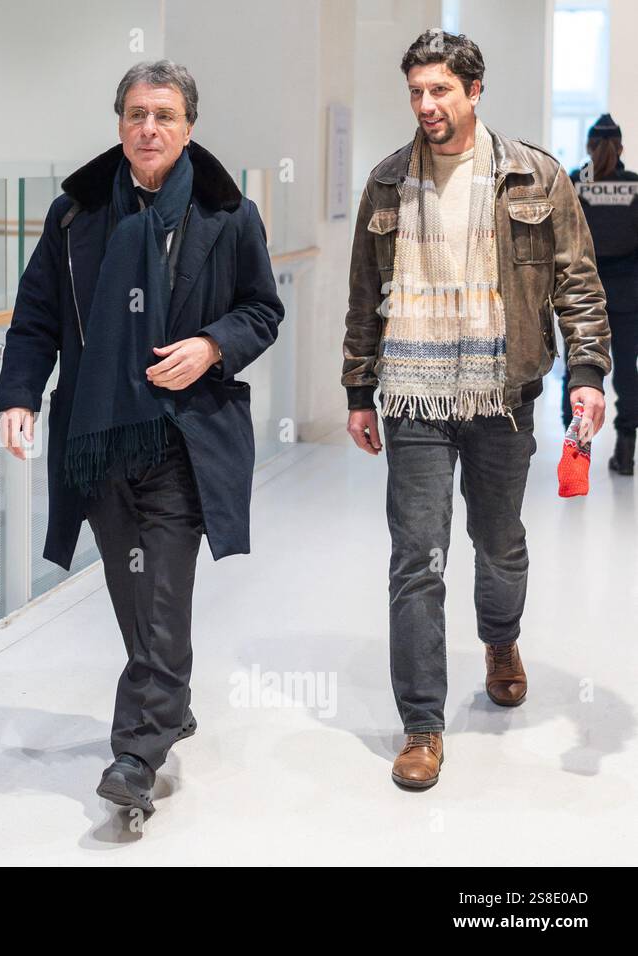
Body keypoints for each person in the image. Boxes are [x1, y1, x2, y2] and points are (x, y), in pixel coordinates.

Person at [0, 59, 282, 814]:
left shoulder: (228, 215)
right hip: (98, 437)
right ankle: (169, 703)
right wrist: (19, 395)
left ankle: (135, 754)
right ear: (119, 124)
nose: (147, 128)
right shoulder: (75, 217)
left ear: (189, 126)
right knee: (133, 593)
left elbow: (262, 309)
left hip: (185, 438)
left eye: (163, 114)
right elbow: (37, 316)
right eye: (134, 114)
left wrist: (212, 345)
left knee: (161, 593)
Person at [341, 31, 611, 790]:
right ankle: (422, 725)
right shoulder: (388, 183)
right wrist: (360, 390)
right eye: (417, 93)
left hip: (505, 397)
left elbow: (578, 285)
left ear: (474, 90)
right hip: (414, 398)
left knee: (499, 546)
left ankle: (500, 639)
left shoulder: (537, 177)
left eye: (440, 92)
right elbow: (365, 297)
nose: (427, 106)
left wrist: (586, 372)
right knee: (416, 559)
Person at [568, 114, 638, 474]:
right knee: (628, 372)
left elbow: (563, 242)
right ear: (621, 147)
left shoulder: (577, 181)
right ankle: (626, 451)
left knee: (581, 369)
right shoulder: (634, 184)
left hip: (583, 294)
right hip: (628, 293)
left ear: (589, 146)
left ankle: (577, 454)